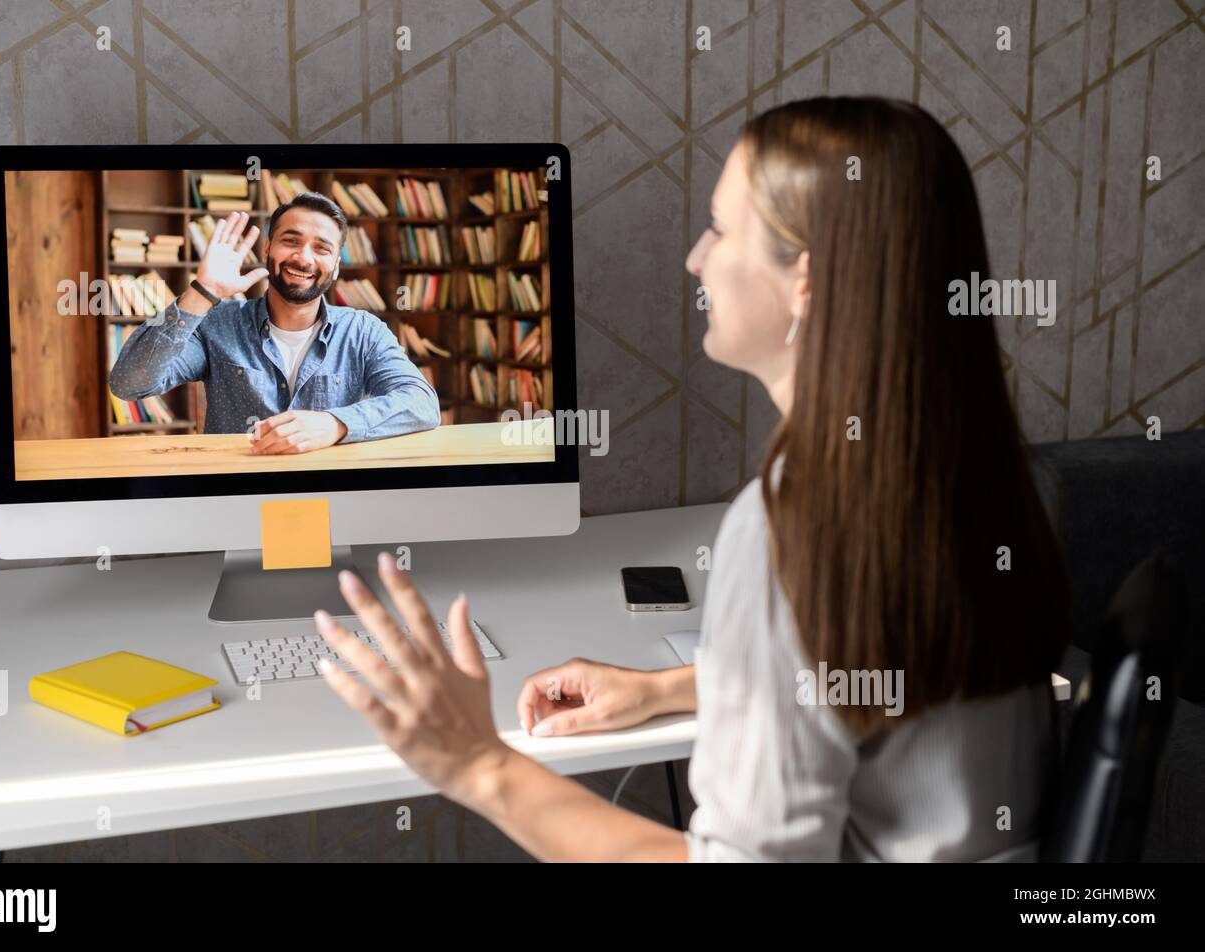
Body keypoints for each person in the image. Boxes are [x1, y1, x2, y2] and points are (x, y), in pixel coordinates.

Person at [311, 97, 1070, 861]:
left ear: (805, 278)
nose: (696, 258)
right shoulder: (977, 475)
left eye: (721, 227)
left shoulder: (793, 528)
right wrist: (669, 688)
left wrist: (477, 764)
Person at [109, 196, 440, 452]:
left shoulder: (363, 331)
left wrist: (335, 424)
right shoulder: (218, 324)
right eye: (291, 241)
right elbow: (129, 383)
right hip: (235, 499)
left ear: (336, 267)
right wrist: (202, 292)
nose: (303, 258)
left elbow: (421, 403)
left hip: (333, 499)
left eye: (321, 248)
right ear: (268, 249)